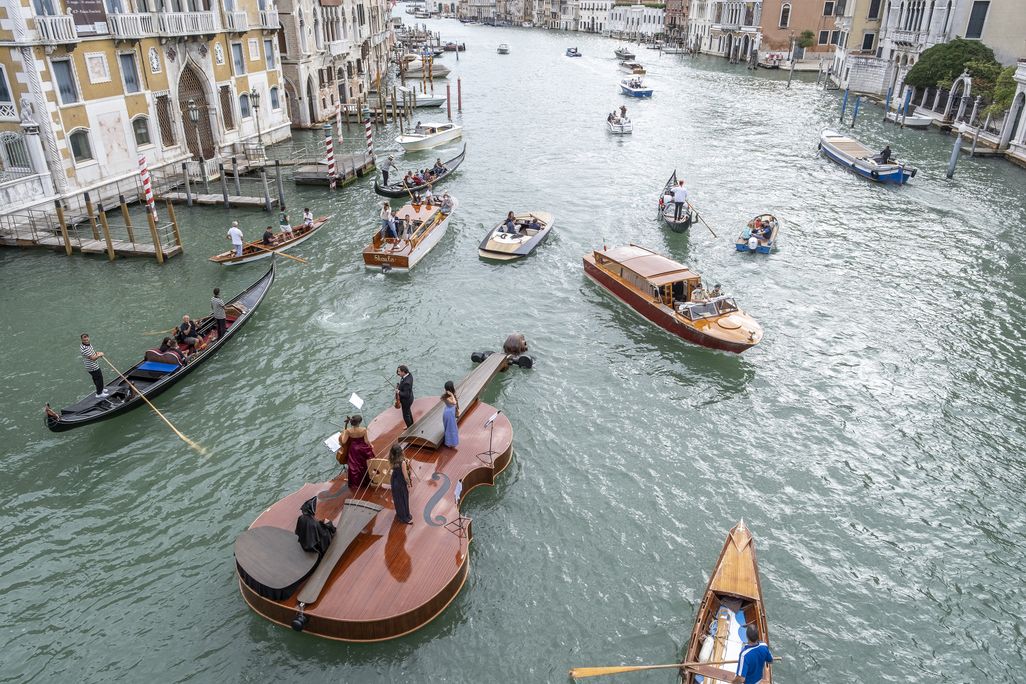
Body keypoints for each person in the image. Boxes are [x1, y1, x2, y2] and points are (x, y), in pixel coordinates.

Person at [336, 414, 374, 491]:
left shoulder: (348, 431)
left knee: (355, 466)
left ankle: (356, 483)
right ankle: (366, 480)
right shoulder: (363, 430)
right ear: (359, 422)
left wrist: (344, 431)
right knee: (363, 465)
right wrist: (371, 445)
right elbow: (366, 441)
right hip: (362, 448)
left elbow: (343, 441)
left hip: (353, 449)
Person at [389, 444, 413, 525]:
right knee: (403, 498)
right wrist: (409, 484)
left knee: (397, 498)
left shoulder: (392, 459)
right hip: (400, 481)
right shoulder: (402, 462)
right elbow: (406, 476)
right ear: (401, 452)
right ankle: (405, 517)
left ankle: (400, 514)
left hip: (394, 480)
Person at [80, 333, 109, 399]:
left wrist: (96, 353)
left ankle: (100, 389)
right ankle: (99, 393)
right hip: (92, 366)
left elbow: (91, 353)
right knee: (99, 379)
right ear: (81, 340)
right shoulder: (85, 348)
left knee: (96, 378)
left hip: (91, 365)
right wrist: (99, 355)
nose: (86, 341)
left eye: (87, 339)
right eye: (84, 340)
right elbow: (93, 358)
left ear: (88, 338)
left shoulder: (87, 344)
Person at [441, 381, 459, 448]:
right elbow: (454, 403)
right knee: (451, 428)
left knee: (450, 428)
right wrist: (452, 394)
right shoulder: (448, 397)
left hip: (448, 412)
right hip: (449, 414)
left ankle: (450, 443)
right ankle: (449, 443)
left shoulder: (445, 395)